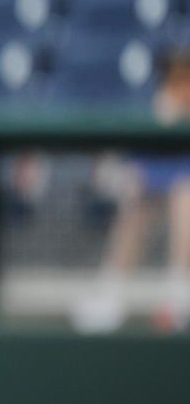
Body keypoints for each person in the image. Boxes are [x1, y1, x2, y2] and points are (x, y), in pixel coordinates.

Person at [72, 46, 190, 333]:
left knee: (185, 198)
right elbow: (137, 165)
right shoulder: (157, 110)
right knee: (137, 203)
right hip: (157, 185)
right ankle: (111, 295)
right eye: (175, 79)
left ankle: (178, 298)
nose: (181, 87)